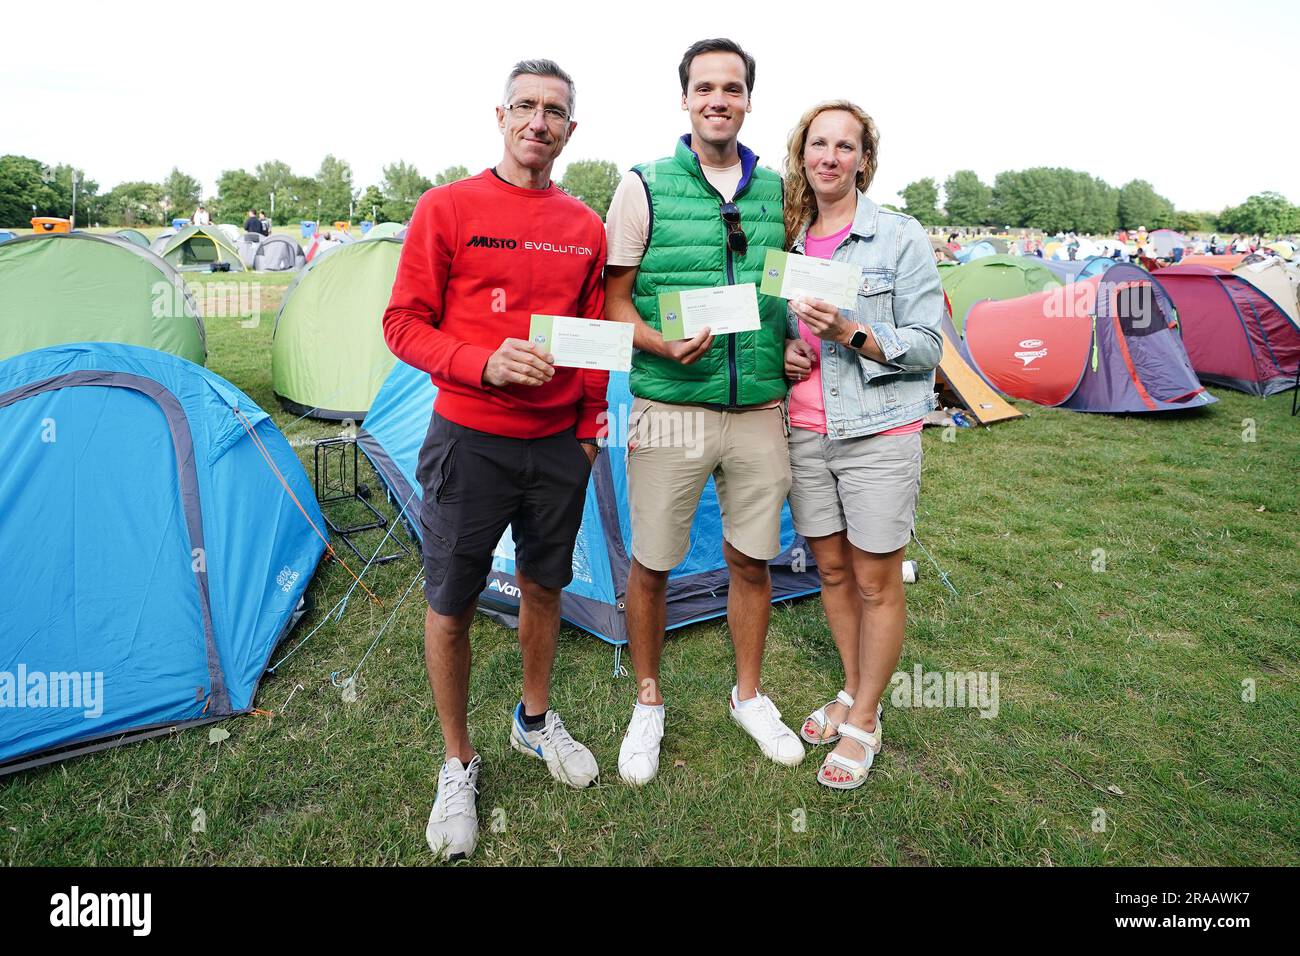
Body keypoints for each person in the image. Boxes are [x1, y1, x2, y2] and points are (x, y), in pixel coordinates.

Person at [383, 58, 607, 861]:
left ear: (570, 129)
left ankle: (534, 722)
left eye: (554, 110)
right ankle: (458, 759)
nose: (538, 121)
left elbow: (590, 344)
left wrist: (587, 428)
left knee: (546, 586)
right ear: (501, 116)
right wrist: (481, 363)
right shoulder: (447, 206)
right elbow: (403, 323)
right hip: (468, 439)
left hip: (556, 449)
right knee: (451, 601)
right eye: (525, 106)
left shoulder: (585, 226)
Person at [604, 37, 803, 787]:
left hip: (756, 409)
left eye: (732, 87)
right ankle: (648, 700)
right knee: (651, 562)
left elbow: (781, 288)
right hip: (669, 406)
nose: (718, 99)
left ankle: (748, 695)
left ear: (749, 99)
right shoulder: (642, 185)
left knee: (752, 560)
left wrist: (793, 345)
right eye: (704, 87)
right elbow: (612, 298)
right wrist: (656, 342)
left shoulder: (778, 190)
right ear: (684, 99)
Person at [780, 100, 942, 790]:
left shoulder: (898, 237)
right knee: (834, 574)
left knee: (876, 580)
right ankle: (852, 688)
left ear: (864, 160)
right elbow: (786, 332)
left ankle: (865, 718)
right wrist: (789, 350)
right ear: (803, 154)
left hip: (878, 433)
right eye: (819, 144)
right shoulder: (789, 241)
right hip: (807, 432)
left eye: (846, 146)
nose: (830, 157)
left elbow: (930, 346)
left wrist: (852, 331)